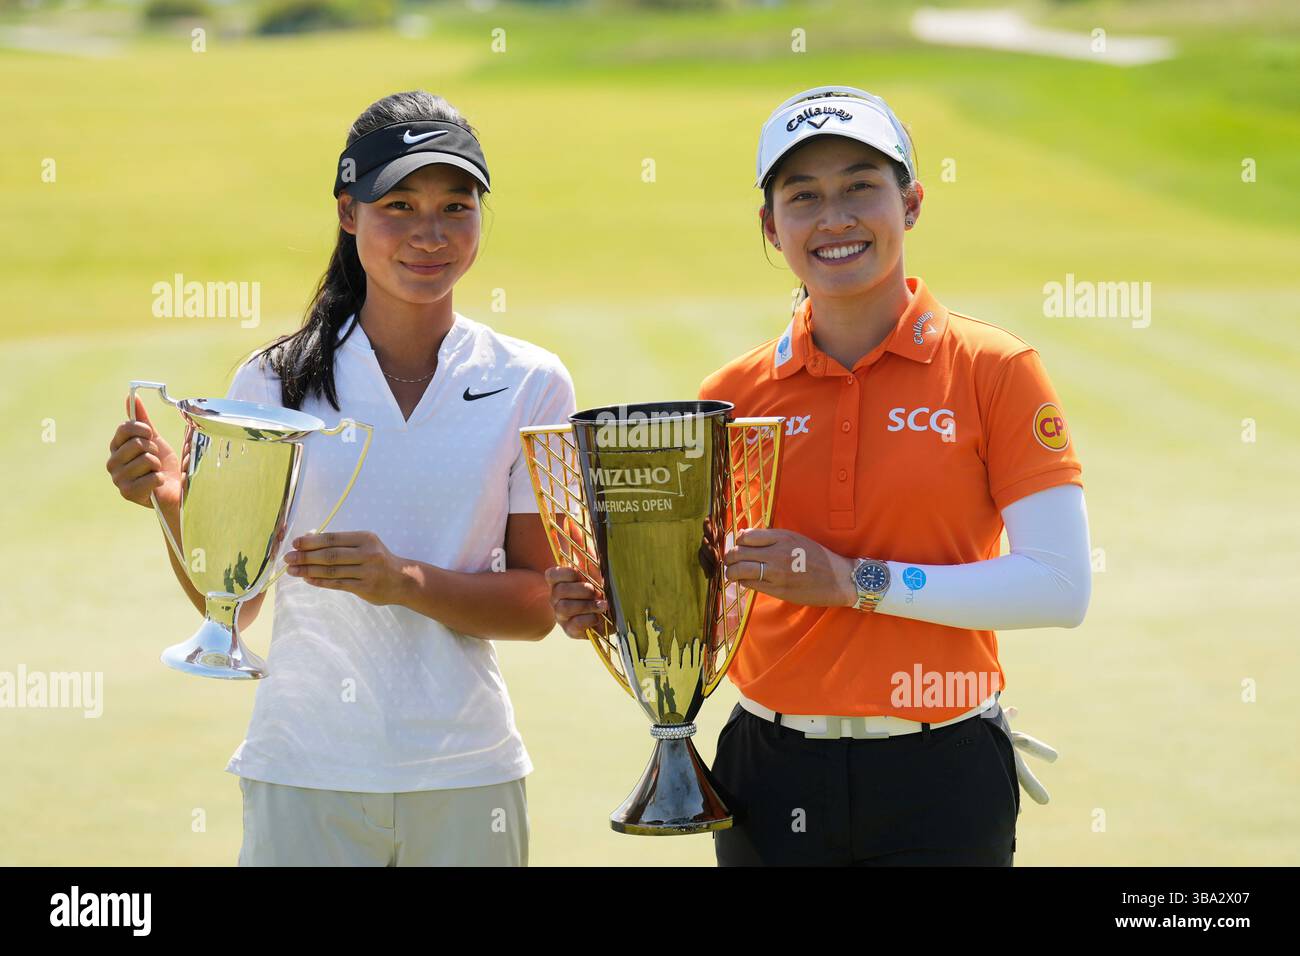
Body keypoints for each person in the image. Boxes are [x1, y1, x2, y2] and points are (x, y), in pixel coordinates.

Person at [547, 86, 1091, 866]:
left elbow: (1059, 587)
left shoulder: (995, 370)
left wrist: (854, 581)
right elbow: (700, 591)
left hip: (944, 766)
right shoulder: (729, 398)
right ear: (771, 226)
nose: (834, 218)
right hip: (768, 771)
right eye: (803, 196)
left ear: (911, 203)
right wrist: (615, 606)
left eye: (860, 186)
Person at [106, 90, 575, 866]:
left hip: (464, 776)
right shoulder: (272, 382)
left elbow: (535, 606)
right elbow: (237, 603)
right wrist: (165, 498)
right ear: (349, 213)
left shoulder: (530, 382)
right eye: (400, 205)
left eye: (456, 206)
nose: (431, 235)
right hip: (304, 770)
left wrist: (405, 580)